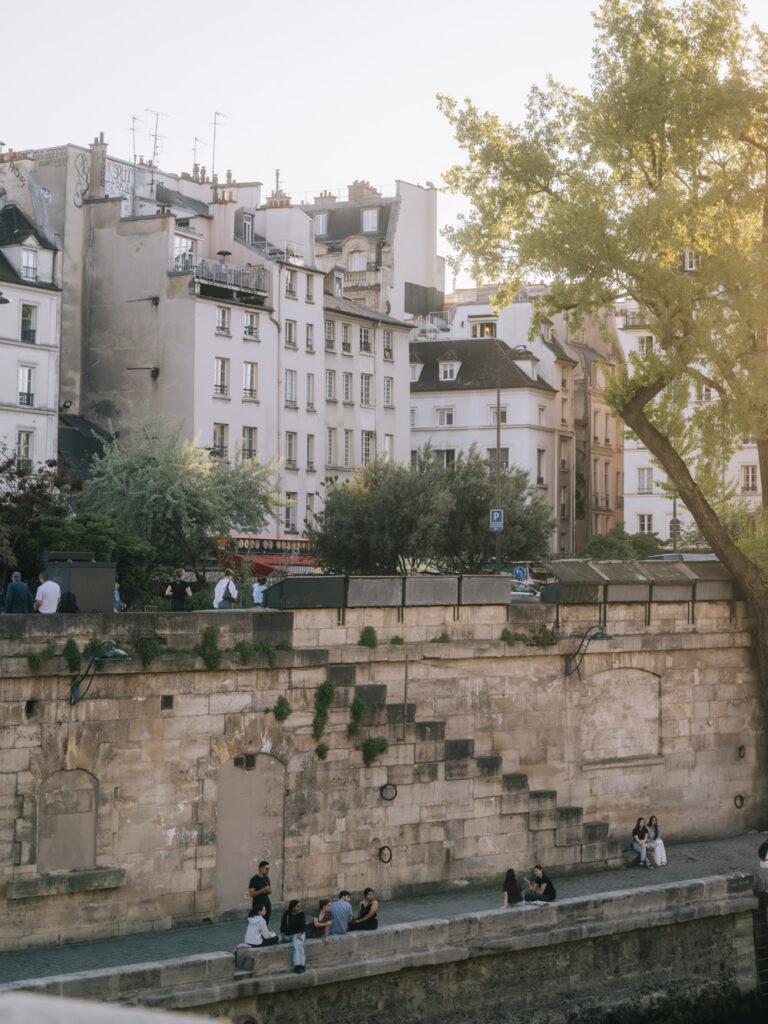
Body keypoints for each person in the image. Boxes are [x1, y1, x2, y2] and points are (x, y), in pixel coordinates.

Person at [280, 898, 306, 973]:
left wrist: (300, 934)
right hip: (288, 934)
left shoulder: (301, 913)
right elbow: (283, 925)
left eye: (299, 906)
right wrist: (283, 934)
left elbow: (302, 926)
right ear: (293, 907)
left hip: (298, 933)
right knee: (276, 939)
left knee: (298, 943)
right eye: (297, 906)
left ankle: (300, 965)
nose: (299, 908)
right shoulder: (286, 914)